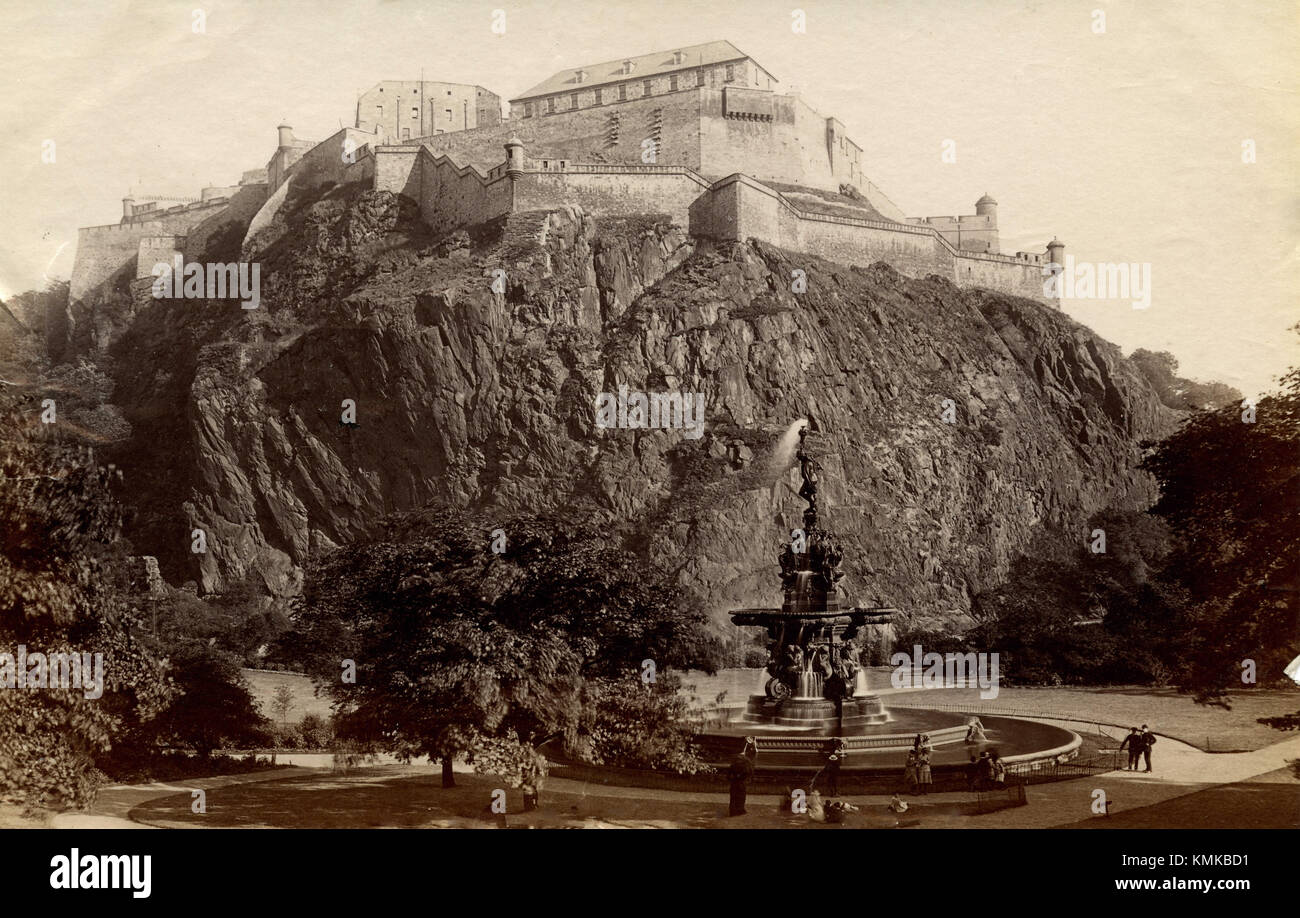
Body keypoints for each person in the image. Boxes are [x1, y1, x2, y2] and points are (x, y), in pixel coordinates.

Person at [728, 737, 758, 815]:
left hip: (734, 781)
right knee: (741, 795)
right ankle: (740, 809)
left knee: (733, 796)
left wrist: (730, 778)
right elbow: (750, 770)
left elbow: (729, 772)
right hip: (742, 781)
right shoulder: (746, 761)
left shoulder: (735, 759)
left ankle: (733, 810)